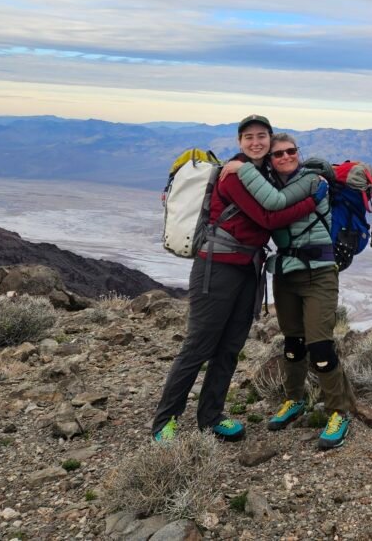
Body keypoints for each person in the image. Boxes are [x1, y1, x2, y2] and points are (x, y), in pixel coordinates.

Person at [151, 115, 325, 443]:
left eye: (262, 136)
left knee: (230, 347)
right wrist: (313, 200)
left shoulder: (263, 173)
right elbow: (268, 216)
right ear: (239, 141)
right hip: (217, 268)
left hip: (248, 270)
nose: (256, 142)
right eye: (249, 137)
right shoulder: (233, 173)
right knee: (199, 346)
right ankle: (165, 422)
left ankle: (211, 417)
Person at [223, 132, 356, 450]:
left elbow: (275, 204)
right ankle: (294, 399)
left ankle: (339, 411)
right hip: (285, 275)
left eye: (290, 152)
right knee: (293, 344)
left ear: (299, 153)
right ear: (270, 159)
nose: (285, 158)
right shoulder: (270, 181)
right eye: (278, 154)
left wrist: (240, 169)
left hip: (319, 274)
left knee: (320, 346)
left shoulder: (312, 181)